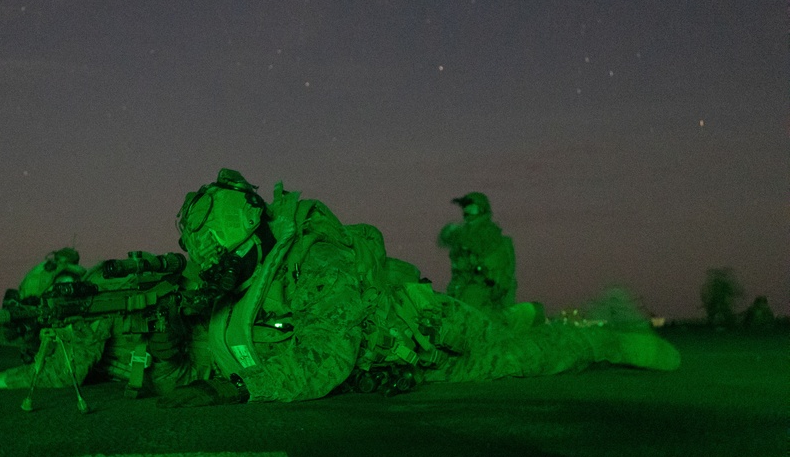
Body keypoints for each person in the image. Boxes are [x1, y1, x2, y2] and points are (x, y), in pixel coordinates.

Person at [159, 169, 681, 407]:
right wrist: (173, 345)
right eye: (217, 265)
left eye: (230, 259)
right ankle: (518, 319)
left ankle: (601, 340)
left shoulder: (315, 258)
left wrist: (243, 388)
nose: (221, 275)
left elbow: (326, 357)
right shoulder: (232, 287)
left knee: (515, 356)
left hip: (428, 331)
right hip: (396, 367)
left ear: (255, 232)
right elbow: (206, 364)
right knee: (504, 348)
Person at [0, 248, 212, 396]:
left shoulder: (93, 301)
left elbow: (65, 373)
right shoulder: (101, 285)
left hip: (205, 360)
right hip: (201, 356)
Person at [437, 192, 516, 310]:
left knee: (470, 313)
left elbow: (478, 249)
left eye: (470, 206)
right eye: (465, 206)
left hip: (483, 288)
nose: (466, 210)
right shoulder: (465, 230)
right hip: (461, 284)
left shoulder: (489, 232)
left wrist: (459, 235)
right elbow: (444, 239)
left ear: (481, 208)